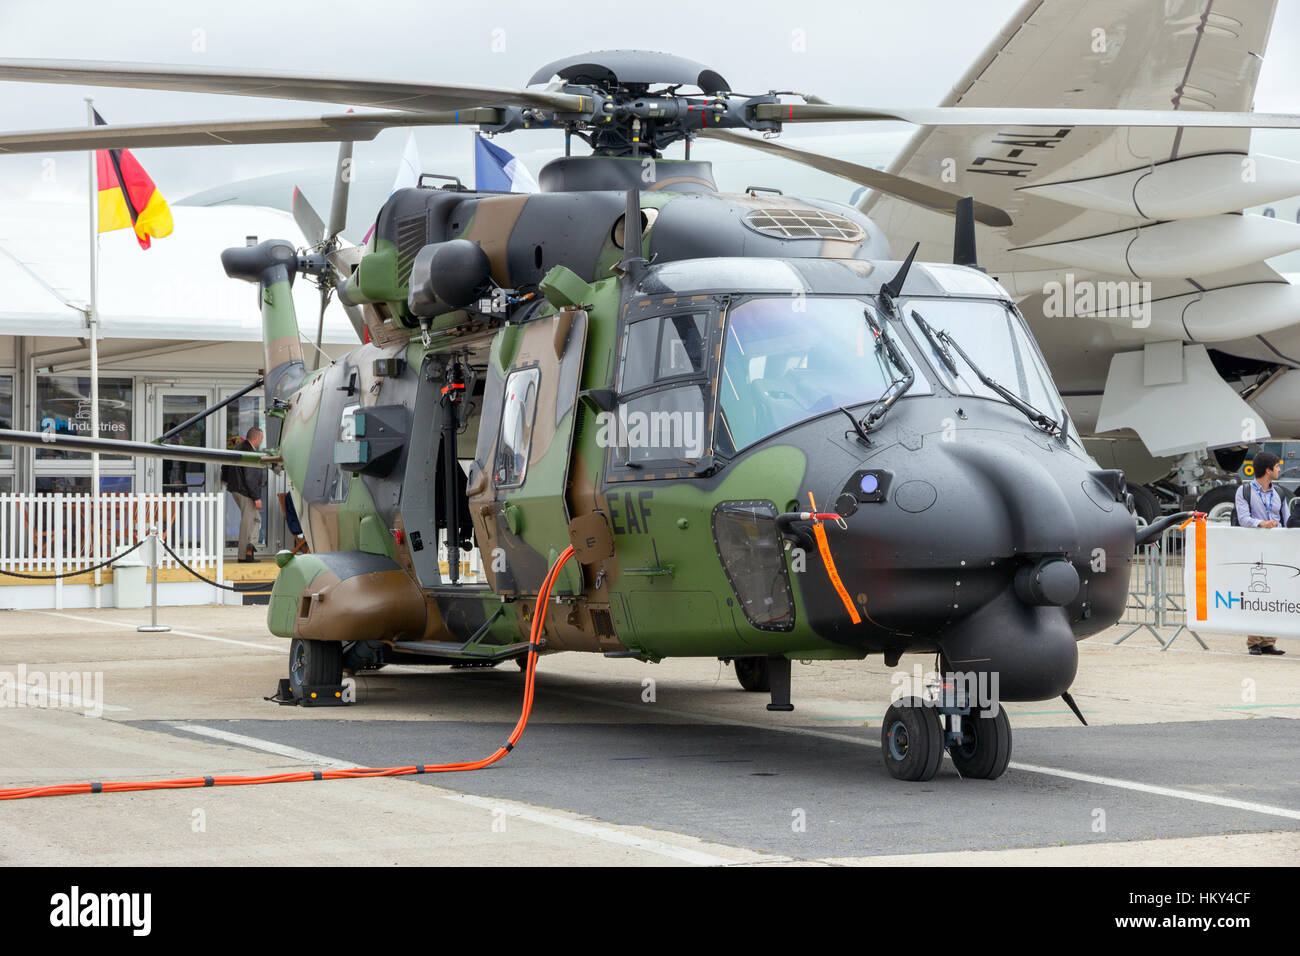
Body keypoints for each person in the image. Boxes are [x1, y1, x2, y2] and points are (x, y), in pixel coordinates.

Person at [1235, 450, 1289, 655]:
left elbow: (1286, 519)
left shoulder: (1280, 492)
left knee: (1274, 594)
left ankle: (1268, 641)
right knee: (1256, 593)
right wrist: (1262, 523)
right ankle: (1254, 641)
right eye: (1276, 467)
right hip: (1253, 549)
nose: (1279, 470)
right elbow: (1243, 518)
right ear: (1268, 470)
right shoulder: (1244, 491)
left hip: (1276, 550)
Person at [222, 427, 265, 563]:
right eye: (261, 438)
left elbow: (225, 464)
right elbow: (250, 477)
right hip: (245, 492)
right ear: (256, 438)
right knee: (248, 522)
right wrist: (256, 497)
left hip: (237, 489)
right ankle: (244, 555)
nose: (262, 441)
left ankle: (250, 547)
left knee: (255, 519)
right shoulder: (249, 452)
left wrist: (227, 479)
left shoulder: (238, 448)